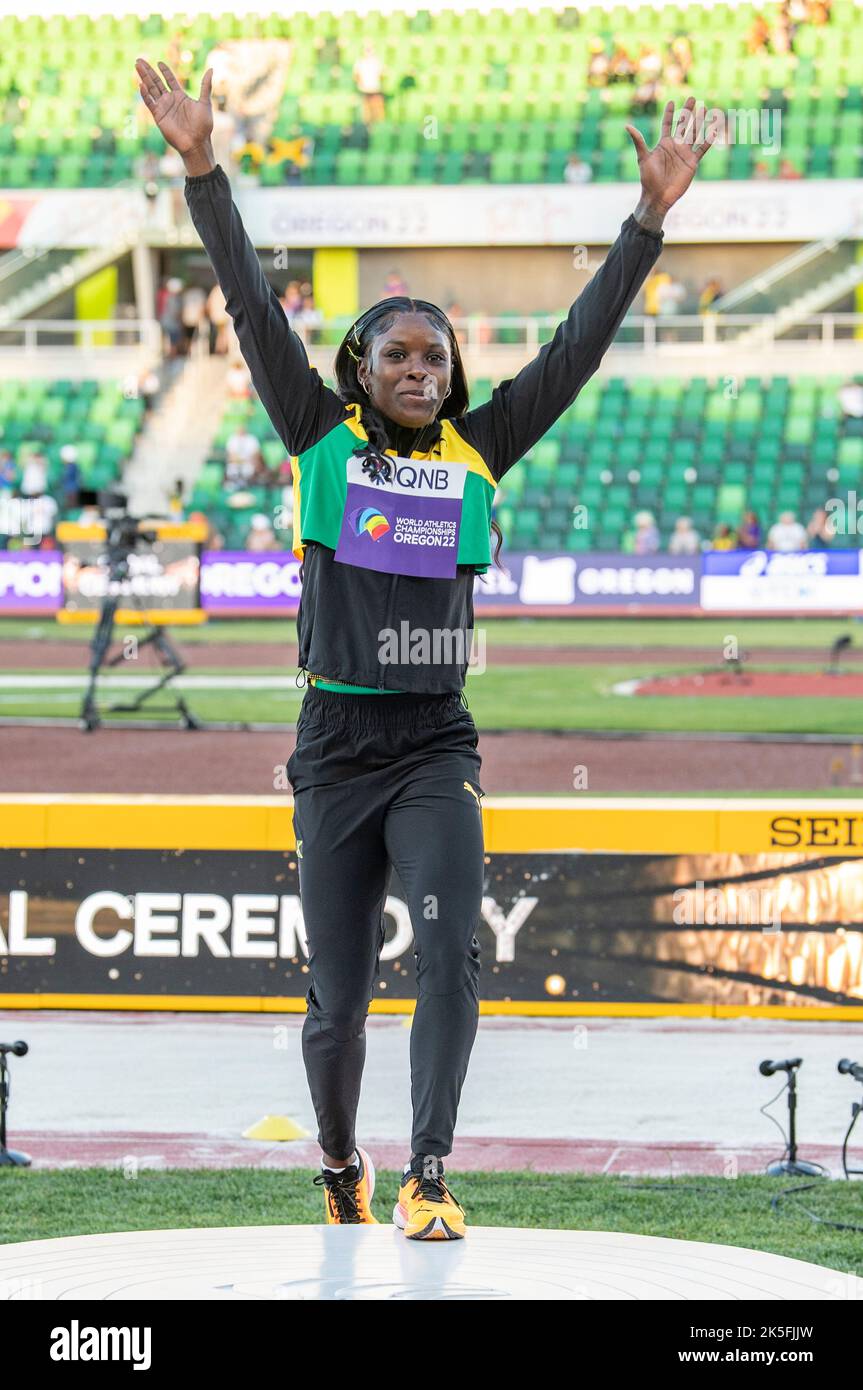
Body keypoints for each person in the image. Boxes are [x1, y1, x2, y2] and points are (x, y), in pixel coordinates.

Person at [138, 55, 713, 1238]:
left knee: (447, 957)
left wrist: (646, 221)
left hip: (434, 745)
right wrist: (203, 168)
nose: (417, 369)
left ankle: (431, 1171)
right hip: (333, 746)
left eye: (434, 357)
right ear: (361, 369)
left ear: (452, 378)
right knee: (336, 1004)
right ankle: (340, 1159)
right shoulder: (316, 435)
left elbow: (576, 345)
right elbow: (250, 304)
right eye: (396, 354)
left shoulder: (480, 449)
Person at [352, 41, 385, 124]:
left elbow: (381, 75)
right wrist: (361, 85)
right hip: (364, 90)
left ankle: (378, 125)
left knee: (377, 110)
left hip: (375, 89)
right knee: (366, 112)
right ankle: (367, 125)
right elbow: (356, 76)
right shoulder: (359, 62)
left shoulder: (377, 61)